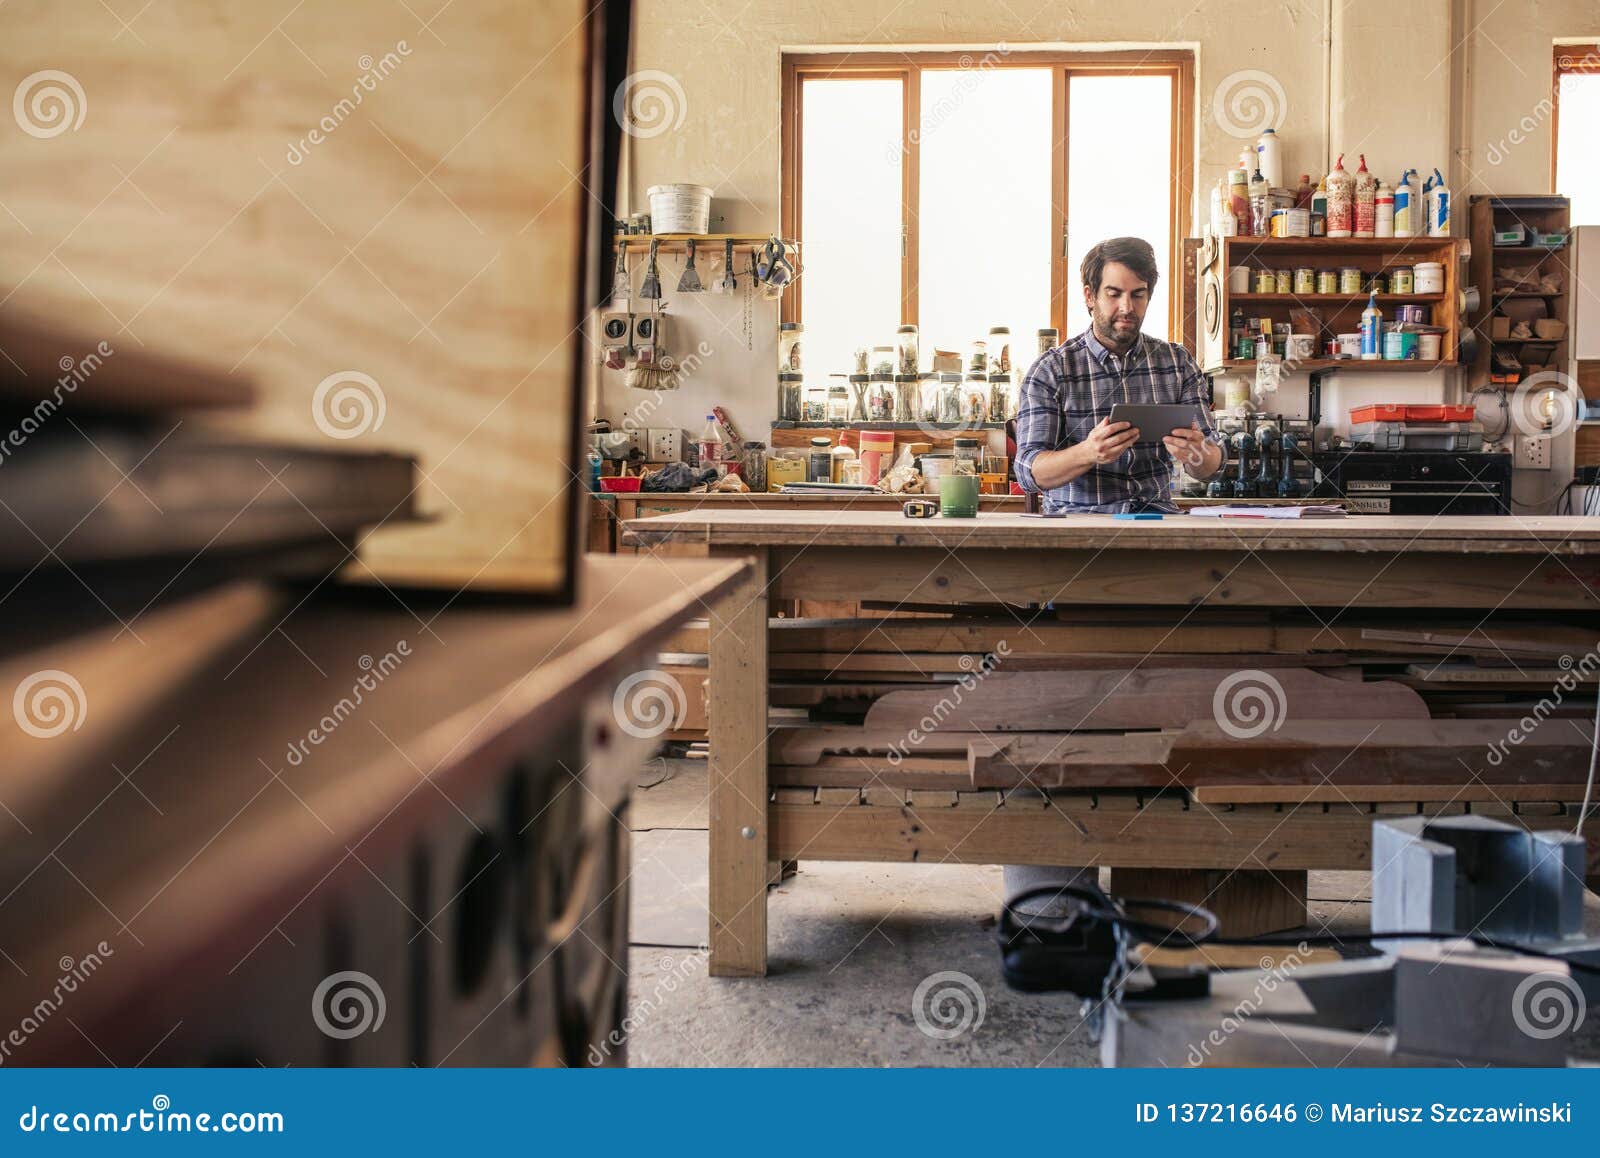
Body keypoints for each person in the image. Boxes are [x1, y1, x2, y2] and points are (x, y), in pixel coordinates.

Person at [1006, 237, 1226, 913]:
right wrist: (1085, 452)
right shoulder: (1053, 370)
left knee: (1165, 690)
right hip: (1080, 544)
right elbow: (1029, 472)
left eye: (1137, 295)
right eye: (1113, 294)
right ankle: (1068, 854)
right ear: (1089, 295)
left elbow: (1214, 463)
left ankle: (1160, 852)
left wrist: (1199, 454)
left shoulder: (1176, 363)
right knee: (1079, 692)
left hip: (1161, 540)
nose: (1125, 308)